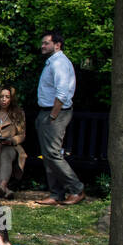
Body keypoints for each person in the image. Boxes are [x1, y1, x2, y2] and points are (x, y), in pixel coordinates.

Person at [36, 30, 84, 205]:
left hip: (55, 112)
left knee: (53, 153)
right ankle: (56, 193)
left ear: (57, 45)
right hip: (47, 111)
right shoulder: (52, 62)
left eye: (46, 43)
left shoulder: (60, 63)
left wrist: (53, 115)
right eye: (42, 43)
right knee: (48, 155)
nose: (43, 46)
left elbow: (62, 93)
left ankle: (76, 189)